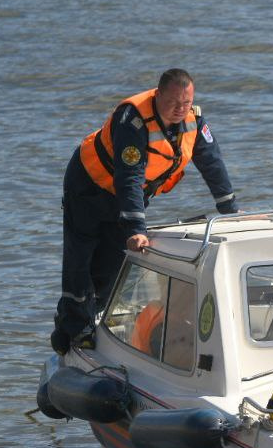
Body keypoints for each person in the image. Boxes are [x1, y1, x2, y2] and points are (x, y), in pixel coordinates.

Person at [50, 68, 238, 354]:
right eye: (173, 102)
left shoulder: (194, 121)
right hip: (88, 187)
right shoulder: (133, 120)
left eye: (186, 103)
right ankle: (74, 328)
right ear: (157, 94)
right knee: (80, 259)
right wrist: (136, 230)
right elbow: (130, 175)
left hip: (126, 196)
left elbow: (212, 164)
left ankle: (93, 316)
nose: (180, 109)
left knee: (112, 263)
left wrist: (231, 212)